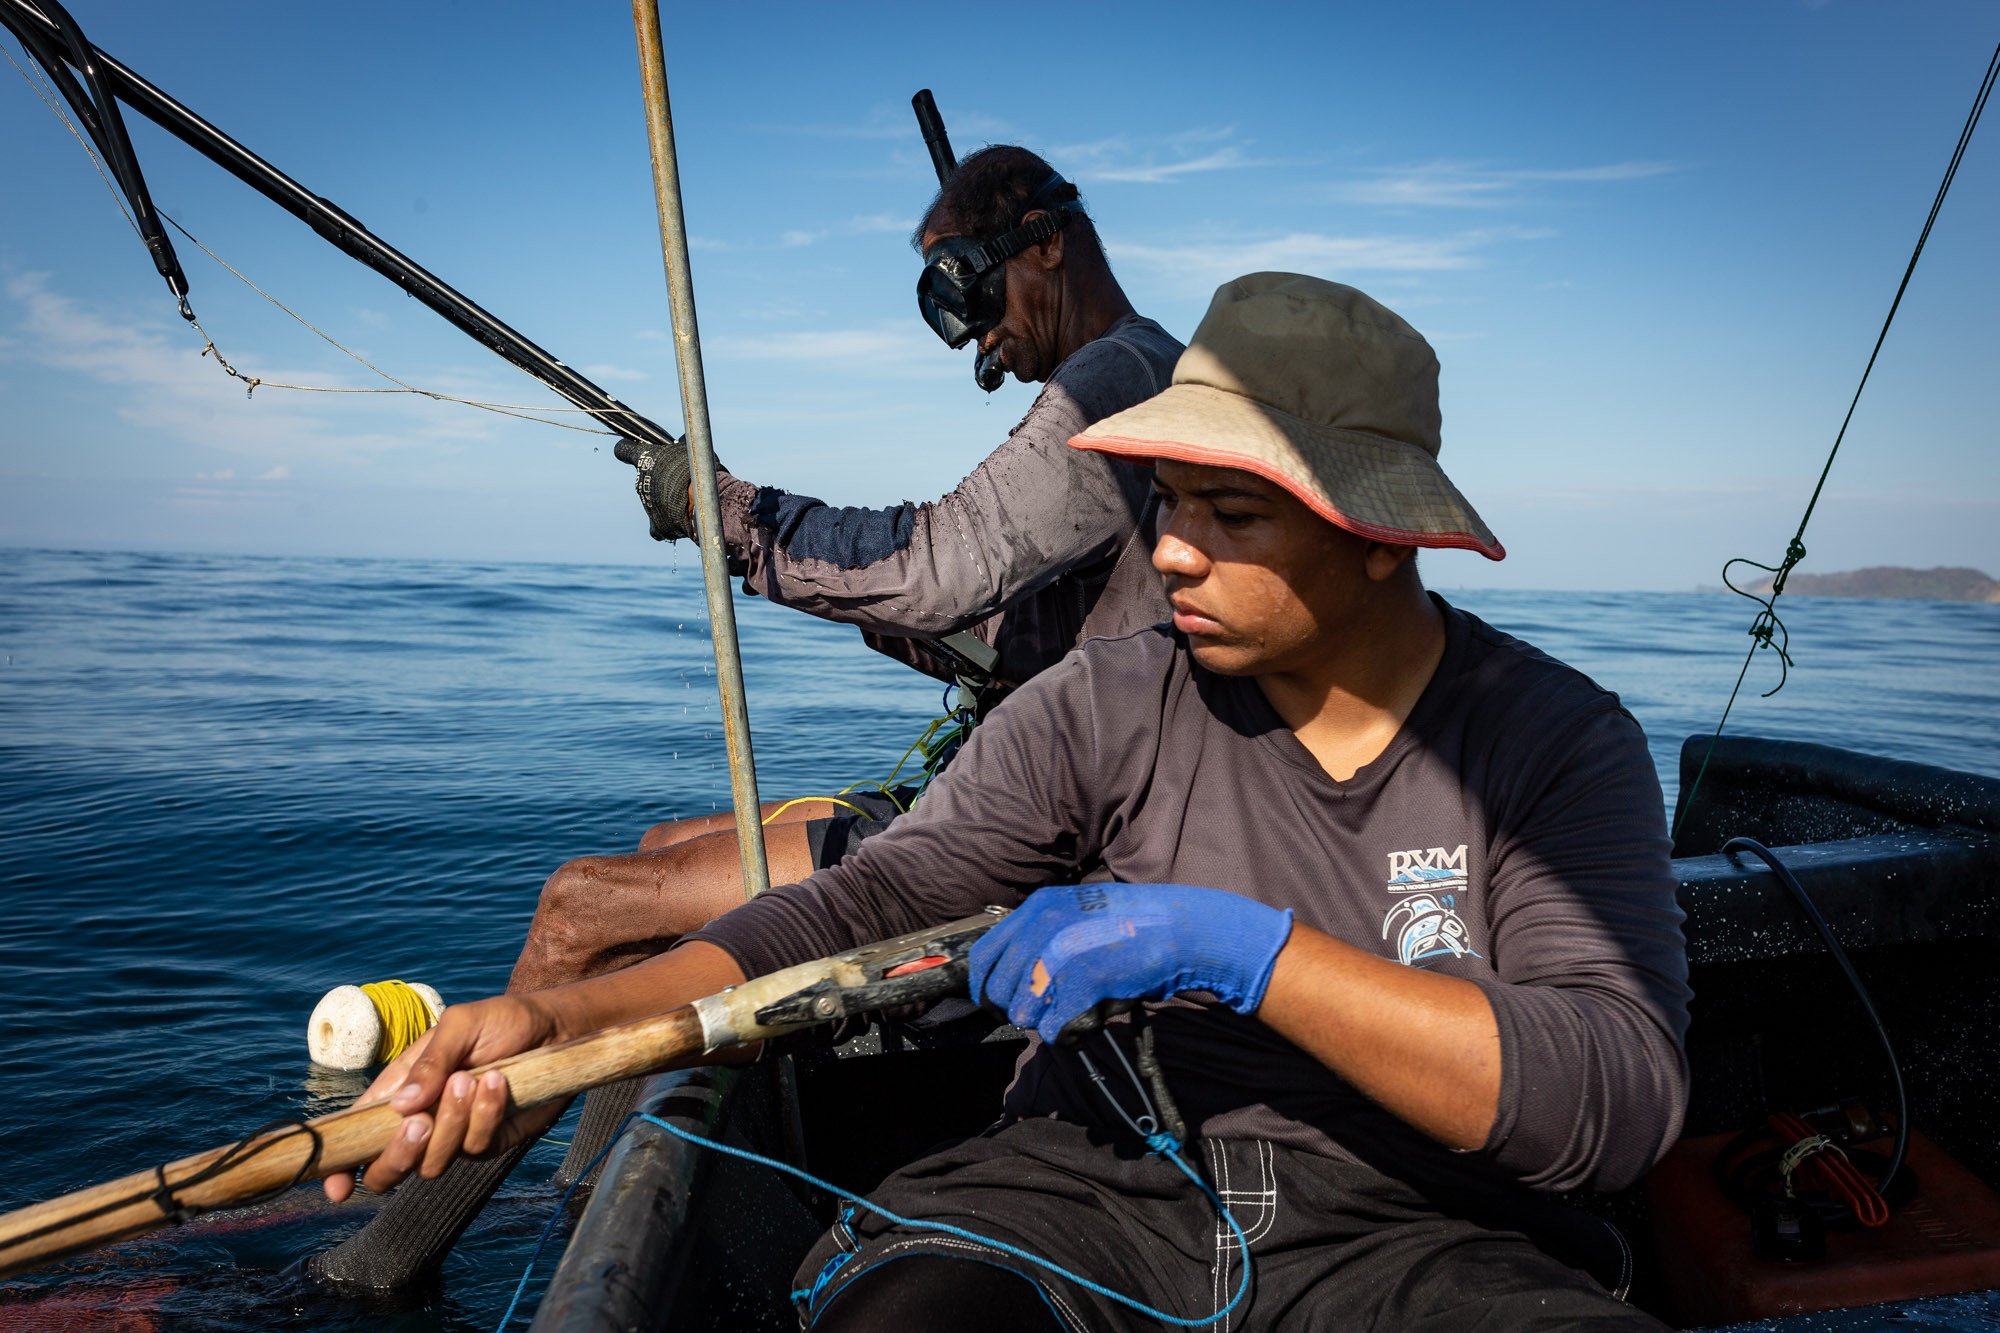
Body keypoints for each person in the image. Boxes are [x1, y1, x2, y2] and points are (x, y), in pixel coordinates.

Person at [328, 273, 1691, 1330]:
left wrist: (1241, 946)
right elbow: (868, 899)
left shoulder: (1558, 744)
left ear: (1380, 532)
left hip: (1421, 1245)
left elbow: (1614, 1095)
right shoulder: (1108, 702)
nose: (1171, 549)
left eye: (1234, 515)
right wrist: (560, 1018)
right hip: (1080, 1190)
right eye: (1165, 502)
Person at [302, 145, 1185, 1292]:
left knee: (582, 905)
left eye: (966, 289)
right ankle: (573, 1186)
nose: (972, 335)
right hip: (1025, 781)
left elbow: (934, 562)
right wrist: (857, 597)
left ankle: (382, 1261)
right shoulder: (1143, 375)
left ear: (1046, 242)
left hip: (1052, 835)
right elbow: (991, 625)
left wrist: (728, 513)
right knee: (670, 849)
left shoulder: (1117, 381)